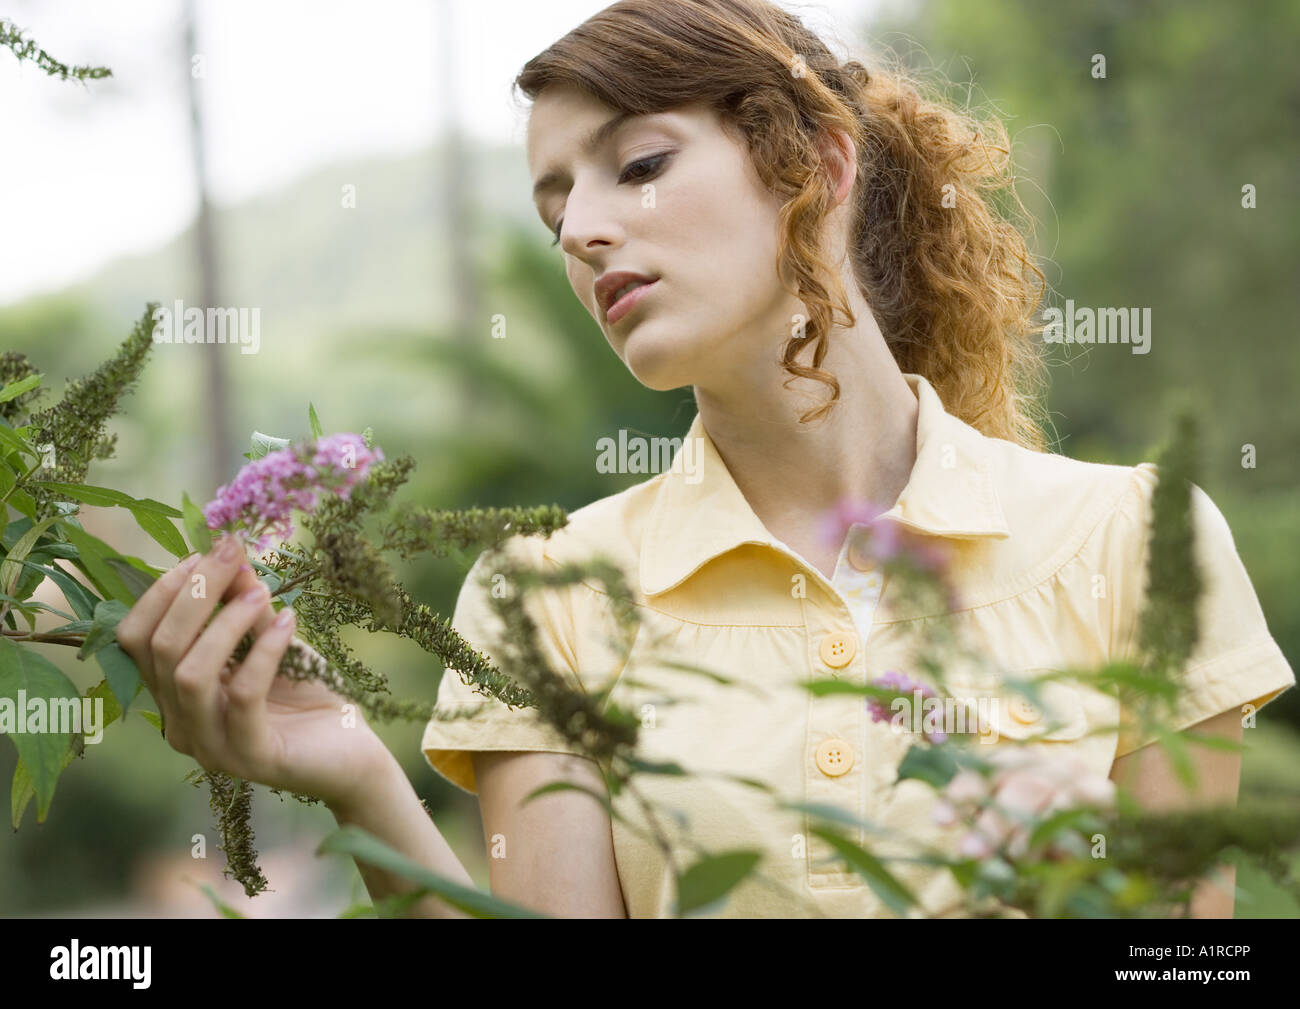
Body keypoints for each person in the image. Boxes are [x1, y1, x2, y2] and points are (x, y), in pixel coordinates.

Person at [117, 0, 1295, 919]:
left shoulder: (1141, 544)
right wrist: (358, 777)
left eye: (636, 166)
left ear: (818, 168)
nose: (579, 229)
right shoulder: (545, 603)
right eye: (552, 206)